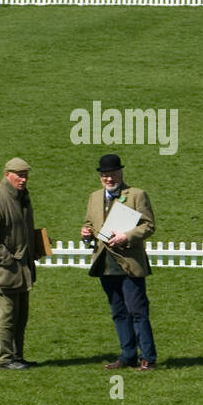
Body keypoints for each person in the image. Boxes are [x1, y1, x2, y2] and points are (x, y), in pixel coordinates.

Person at [81, 154, 157, 371]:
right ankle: (128, 355)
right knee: (118, 312)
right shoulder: (94, 197)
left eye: (113, 173)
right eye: (105, 175)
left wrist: (127, 236)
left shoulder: (136, 195)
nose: (109, 178)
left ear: (121, 173)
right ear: (100, 177)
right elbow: (88, 225)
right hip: (105, 263)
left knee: (137, 312)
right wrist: (85, 234)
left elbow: (149, 226)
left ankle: (148, 358)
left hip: (129, 263)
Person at [0, 158, 38, 369]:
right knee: (8, 315)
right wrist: (7, 259)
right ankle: (4, 359)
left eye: (25, 175)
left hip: (22, 268)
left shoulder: (22, 196)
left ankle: (17, 357)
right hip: (6, 269)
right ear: (7, 174)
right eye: (18, 175)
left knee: (21, 316)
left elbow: (20, 230)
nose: (23, 179)